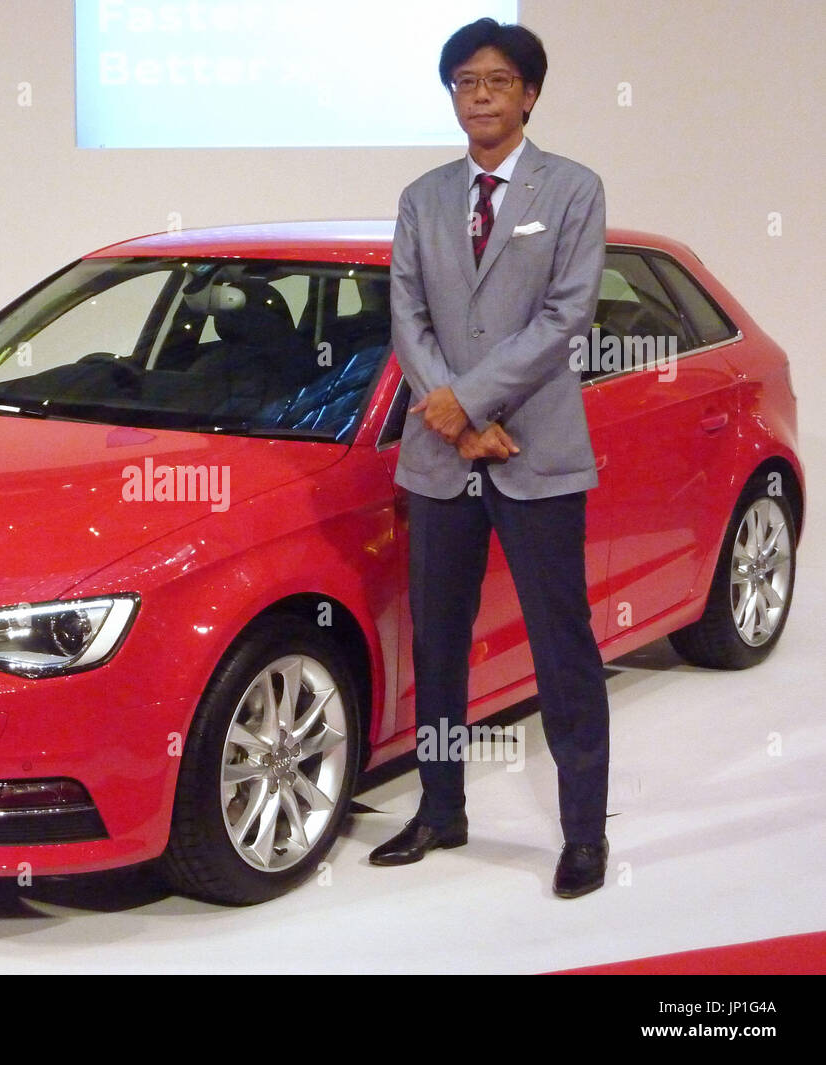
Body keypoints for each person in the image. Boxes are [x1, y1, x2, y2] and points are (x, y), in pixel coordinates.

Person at [369, 18, 611, 897]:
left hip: (535, 447)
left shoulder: (574, 189)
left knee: (563, 644)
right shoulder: (422, 196)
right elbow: (409, 319)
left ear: (530, 93)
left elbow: (565, 317)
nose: (481, 96)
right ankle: (440, 808)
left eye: (498, 81)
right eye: (465, 82)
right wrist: (455, 421)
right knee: (437, 641)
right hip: (441, 459)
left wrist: (467, 402)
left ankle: (584, 831)